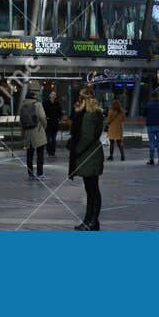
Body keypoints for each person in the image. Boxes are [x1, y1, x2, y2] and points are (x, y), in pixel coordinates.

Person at [67, 88, 105, 230]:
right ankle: (90, 221)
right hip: (93, 154)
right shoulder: (96, 113)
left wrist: (76, 150)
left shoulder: (88, 115)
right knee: (92, 189)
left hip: (88, 156)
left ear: (83, 99)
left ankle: (91, 221)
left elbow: (87, 137)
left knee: (92, 190)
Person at [18, 86, 47, 178]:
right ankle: (40, 173)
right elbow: (42, 117)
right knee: (40, 154)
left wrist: (22, 132)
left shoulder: (22, 106)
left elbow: (21, 121)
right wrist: (44, 126)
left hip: (27, 132)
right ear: (34, 96)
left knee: (29, 154)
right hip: (38, 132)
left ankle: (30, 173)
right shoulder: (38, 104)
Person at [142, 91, 159, 165]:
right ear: (157, 97)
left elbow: (144, 114)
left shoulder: (148, 105)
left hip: (150, 125)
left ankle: (151, 160)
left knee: (152, 142)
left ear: (151, 97)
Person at [42, 85, 62, 157]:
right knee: (48, 138)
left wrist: (59, 119)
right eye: (52, 94)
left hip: (55, 123)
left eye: (55, 95)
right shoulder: (45, 103)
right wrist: (45, 118)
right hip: (48, 123)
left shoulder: (57, 104)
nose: (53, 96)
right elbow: (42, 112)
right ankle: (49, 151)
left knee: (53, 139)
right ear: (50, 95)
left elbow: (60, 113)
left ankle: (52, 152)